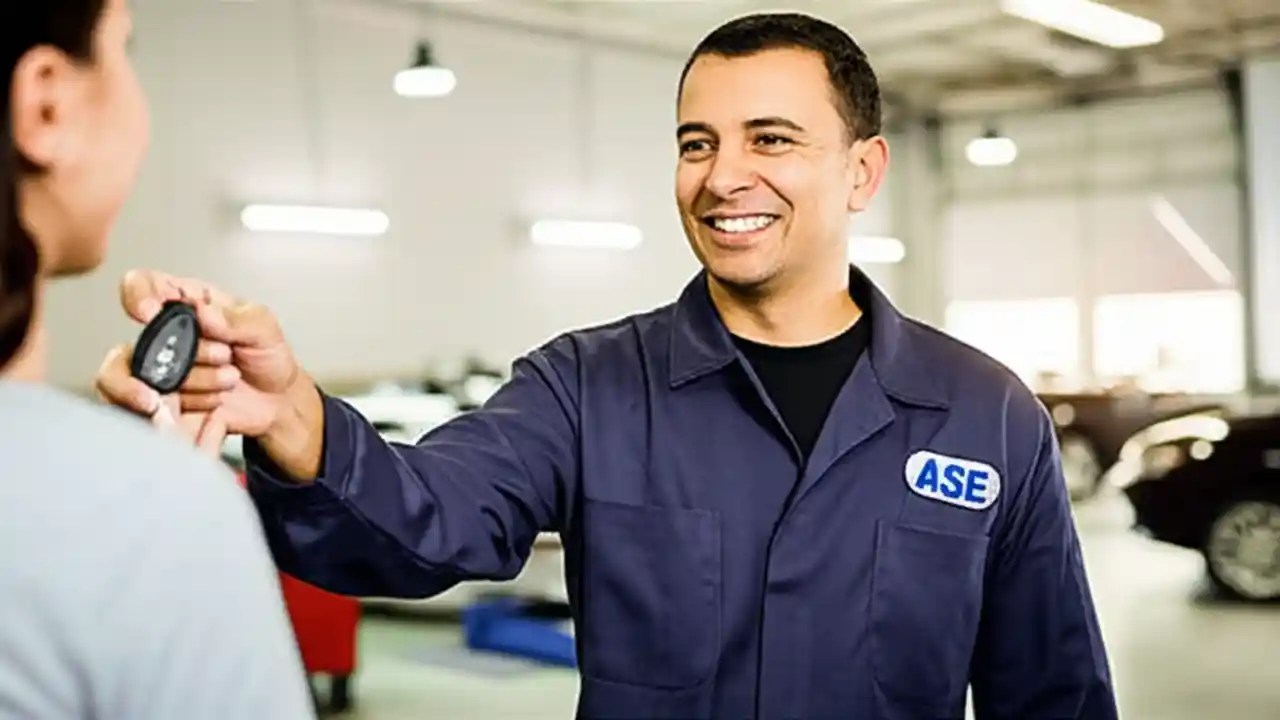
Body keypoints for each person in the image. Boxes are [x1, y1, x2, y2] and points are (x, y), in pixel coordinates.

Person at [96, 11, 1119, 720]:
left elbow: (1052, 692)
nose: (722, 177)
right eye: (694, 143)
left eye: (769, 138)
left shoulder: (983, 414)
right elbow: (421, 521)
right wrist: (289, 417)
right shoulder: (584, 387)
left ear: (861, 170)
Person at [0, 1, 315, 717]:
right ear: (46, 102)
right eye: (124, 52)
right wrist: (158, 505)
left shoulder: (148, 506)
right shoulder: (157, 518)